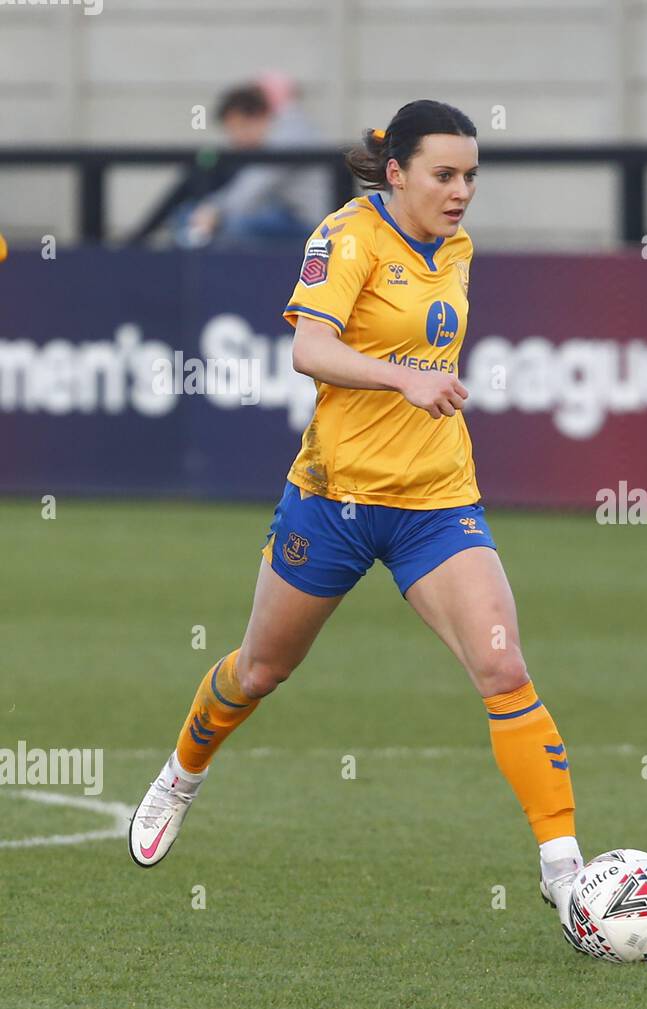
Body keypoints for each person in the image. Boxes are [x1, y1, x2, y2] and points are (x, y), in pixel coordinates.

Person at [129, 99, 585, 946]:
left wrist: (421, 386)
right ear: (398, 170)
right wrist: (402, 379)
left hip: (438, 503)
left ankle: (565, 873)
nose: (461, 193)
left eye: (472, 177)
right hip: (333, 501)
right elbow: (309, 348)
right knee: (260, 670)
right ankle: (181, 775)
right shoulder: (346, 236)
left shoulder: (456, 244)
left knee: (503, 666)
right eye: (445, 175)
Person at [181, 81, 330, 248]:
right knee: (188, 214)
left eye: (239, 127)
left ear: (259, 116)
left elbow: (252, 190)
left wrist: (214, 211)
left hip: (310, 225)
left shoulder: (288, 138)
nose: (235, 138)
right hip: (282, 213)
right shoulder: (283, 133)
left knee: (234, 228)